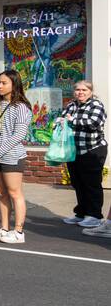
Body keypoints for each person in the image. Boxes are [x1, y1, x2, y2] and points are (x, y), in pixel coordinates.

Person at [0, 69, 34, 244]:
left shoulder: (21, 107)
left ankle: (18, 232)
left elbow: (18, 135)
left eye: (4, 83)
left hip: (11, 156)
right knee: (1, 193)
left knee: (14, 193)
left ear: (14, 84)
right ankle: (4, 229)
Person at [53, 80, 107, 232]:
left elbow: (93, 123)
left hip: (93, 149)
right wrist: (60, 121)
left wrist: (72, 121)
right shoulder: (71, 105)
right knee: (78, 183)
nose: (80, 92)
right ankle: (81, 213)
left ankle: (95, 216)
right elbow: (62, 119)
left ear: (90, 91)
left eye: (84, 90)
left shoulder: (96, 105)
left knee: (92, 183)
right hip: (73, 150)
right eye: (77, 90)